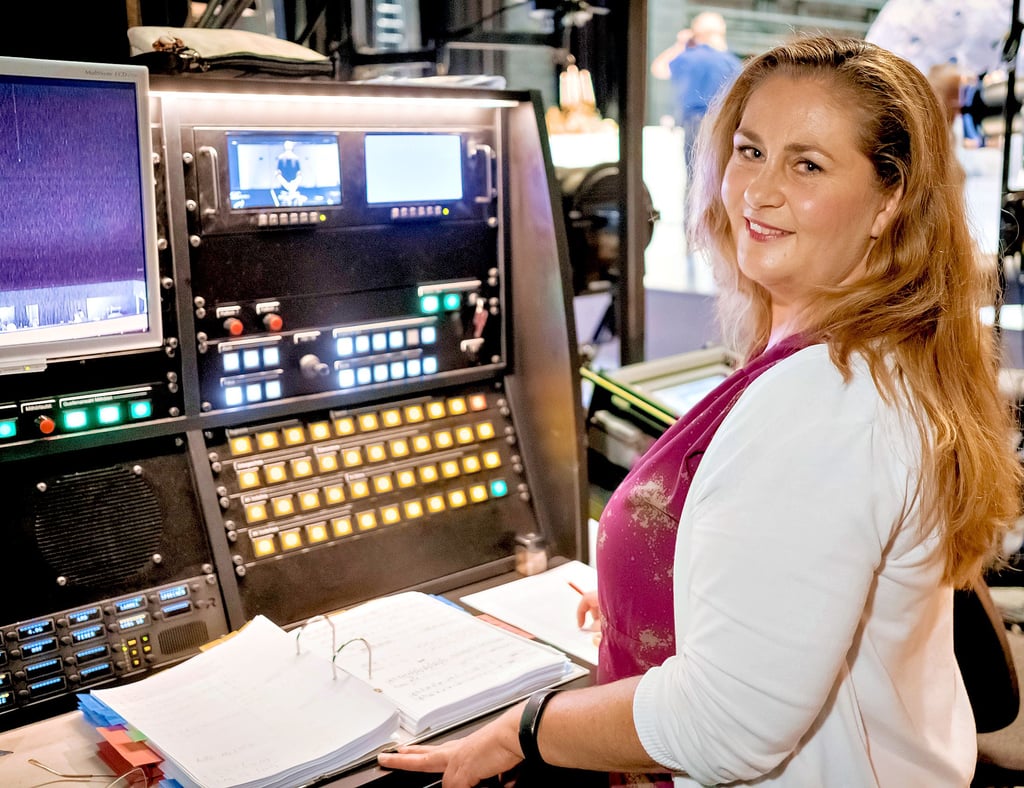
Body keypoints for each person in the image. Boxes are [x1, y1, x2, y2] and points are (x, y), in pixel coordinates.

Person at [378, 34, 1023, 788]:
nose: (758, 190)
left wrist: (524, 729)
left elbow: (727, 724)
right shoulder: (868, 349)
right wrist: (655, 580)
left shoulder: (829, 398)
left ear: (890, 199)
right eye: (750, 151)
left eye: (807, 164)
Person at [651, 12, 741, 227]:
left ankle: (691, 224)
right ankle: (719, 221)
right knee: (720, 172)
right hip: (723, 122)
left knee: (693, 174)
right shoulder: (730, 61)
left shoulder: (689, 57)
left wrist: (681, 43)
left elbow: (659, 68)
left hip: (695, 123)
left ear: (695, 33)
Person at [273, 139, 303, 205]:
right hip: (283, 188)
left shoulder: (296, 158)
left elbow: (299, 173)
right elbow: (278, 173)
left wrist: (295, 183)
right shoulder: (281, 158)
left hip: (294, 187)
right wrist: (285, 184)